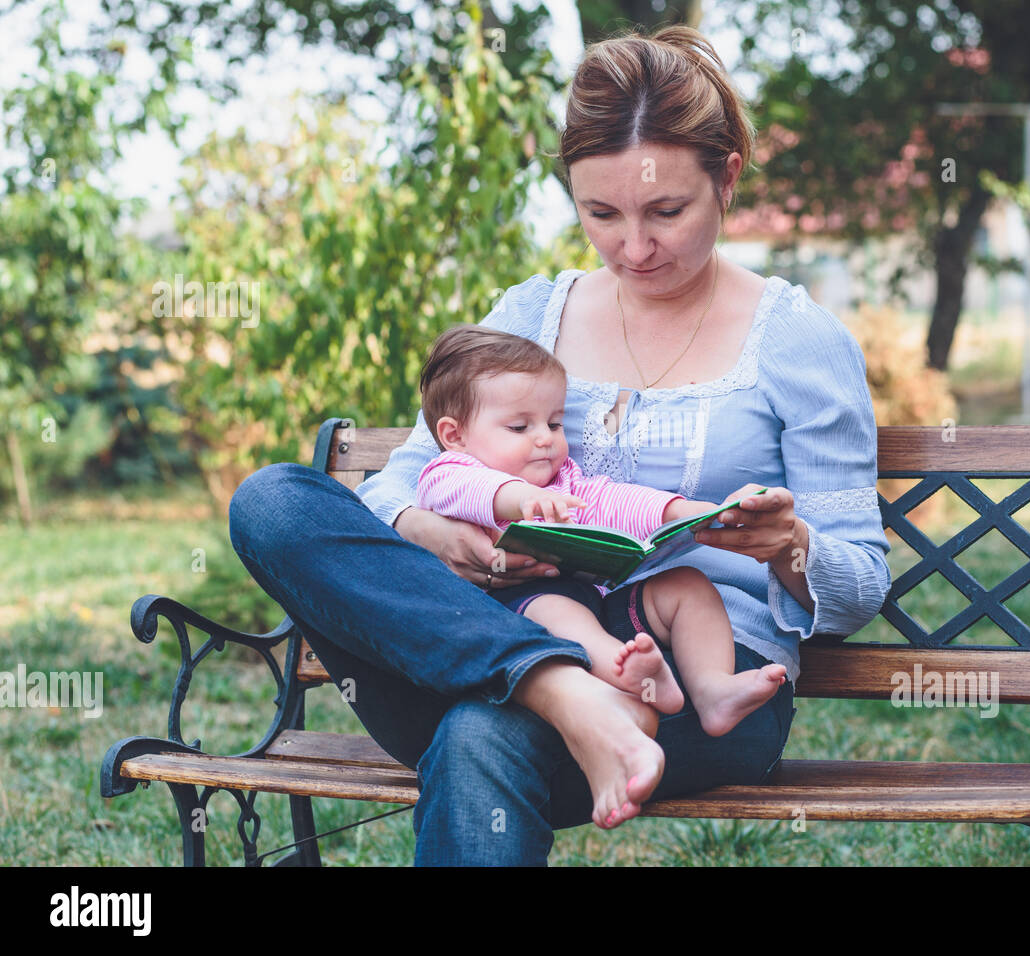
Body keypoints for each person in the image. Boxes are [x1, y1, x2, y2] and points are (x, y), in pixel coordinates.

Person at [228, 24, 890, 866]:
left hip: (688, 686)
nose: (634, 248)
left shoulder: (796, 339)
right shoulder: (532, 312)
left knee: (480, 737)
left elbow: (860, 578)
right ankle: (562, 689)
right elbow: (397, 489)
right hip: (482, 634)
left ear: (726, 178)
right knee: (273, 501)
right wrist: (441, 534)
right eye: (601, 214)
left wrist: (792, 548)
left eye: (666, 212)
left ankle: (556, 693)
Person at [414, 325, 790, 815]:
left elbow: (615, 499)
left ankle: (712, 689)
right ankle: (630, 677)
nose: (546, 440)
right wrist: (523, 499)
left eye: (553, 423)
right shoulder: (449, 472)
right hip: (516, 618)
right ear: (454, 435)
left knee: (686, 586)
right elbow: (465, 493)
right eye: (520, 427)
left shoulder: (563, 480)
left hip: (594, 605)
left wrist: (687, 511)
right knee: (557, 610)